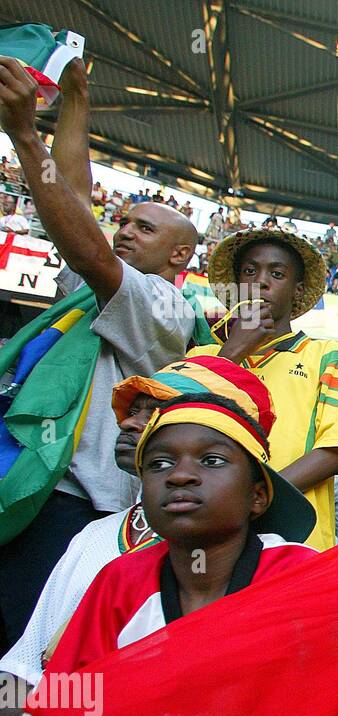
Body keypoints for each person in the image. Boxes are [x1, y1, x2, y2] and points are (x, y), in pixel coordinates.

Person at [0, 55, 205, 649]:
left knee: (28, 661)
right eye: (124, 222)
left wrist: (22, 133)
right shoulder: (97, 290)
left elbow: (84, 241)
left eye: (144, 228)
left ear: (178, 257)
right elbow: (74, 199)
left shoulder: (165, 310)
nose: (124, 231)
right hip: (25, 486)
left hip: (70, 511)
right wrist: (77, 96)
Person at [0, 356, 301, 716]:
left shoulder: (292, 573)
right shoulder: (95, 540)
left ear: (255, 490)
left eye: (157, 410)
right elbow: (28, 673)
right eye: (133, 410)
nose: (128, 423)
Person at [190, 227, 338, 551]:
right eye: (249, 271)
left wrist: (254, 499)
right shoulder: (200, 358)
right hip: (205, 536)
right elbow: (178, 431)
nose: (261, 281)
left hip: (294, 542)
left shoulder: (328, 355)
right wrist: (231, 354)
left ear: (297, 290)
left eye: (277, 273)